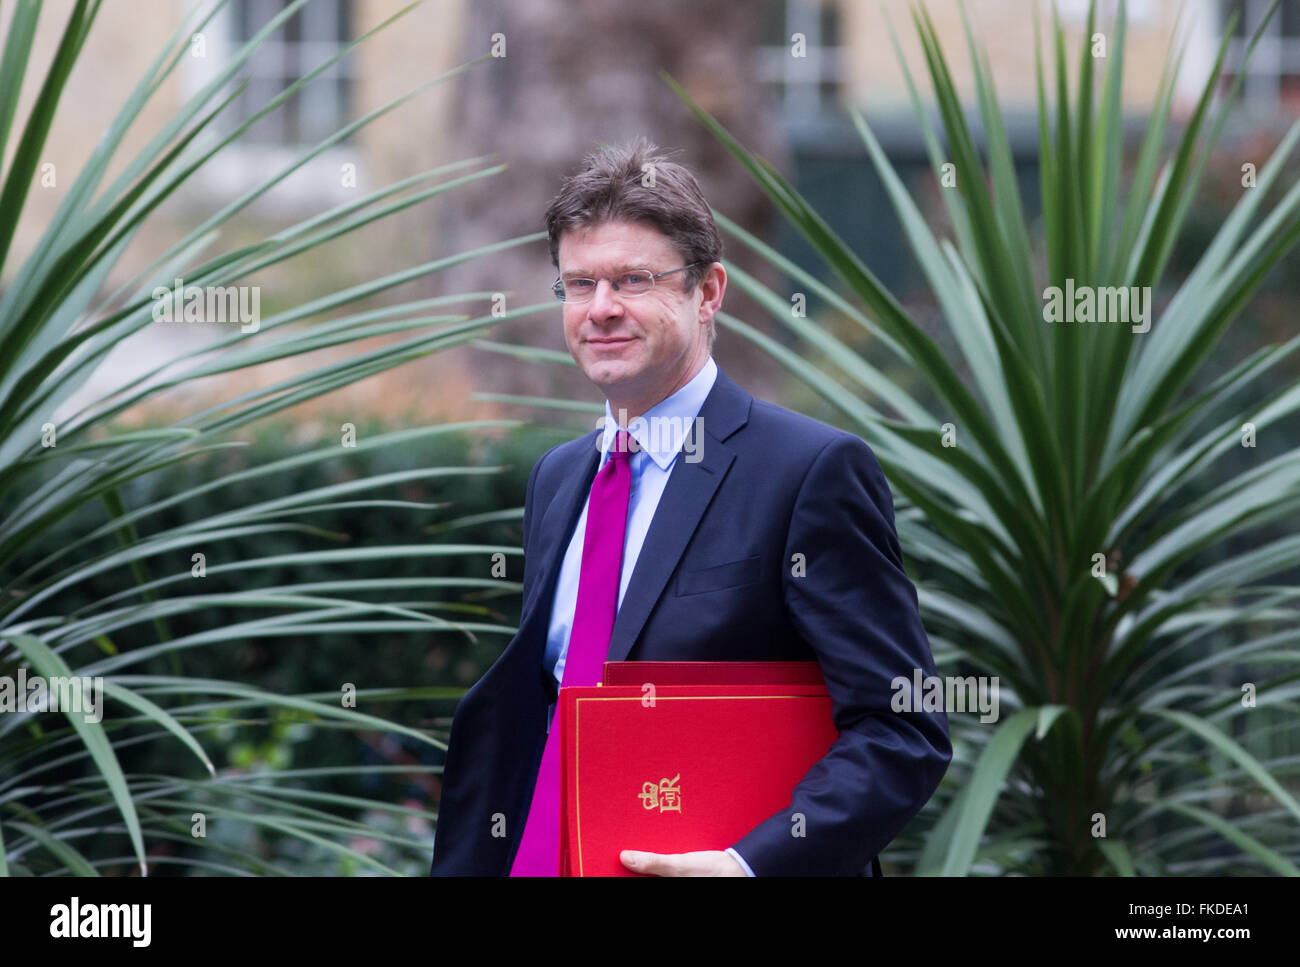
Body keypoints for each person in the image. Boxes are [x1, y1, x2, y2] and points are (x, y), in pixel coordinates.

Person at [429, 138, 950, 877]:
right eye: (578, 285)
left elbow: (903, 727)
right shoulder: (558, 478)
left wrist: (747, 866)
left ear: (708, 292)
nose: (601, 309)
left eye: (634, 280)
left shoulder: (810, 472)